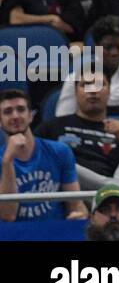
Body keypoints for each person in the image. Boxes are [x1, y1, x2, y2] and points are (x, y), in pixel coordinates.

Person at [0, 89, 86, 221]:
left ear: (31, 116)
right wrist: (8, 161)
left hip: (55, 233)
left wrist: (79, 215)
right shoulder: (3, 160)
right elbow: (8, 216)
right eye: (7, 112)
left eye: (21, 109)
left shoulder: (60, 152)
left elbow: (75, 204)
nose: (15, 116)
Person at [36, 72, 119, 185]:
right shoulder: (51, 127)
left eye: (100, 85)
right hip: (64, 191)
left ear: (109, 91)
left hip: (108, 198)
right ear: (75, 92)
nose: (93, 90)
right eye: (86, 85)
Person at [54, 16, 119, 118]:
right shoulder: (75, 78)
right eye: (108, 47)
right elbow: (63, 117)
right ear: (96, 47)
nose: (114, 52)